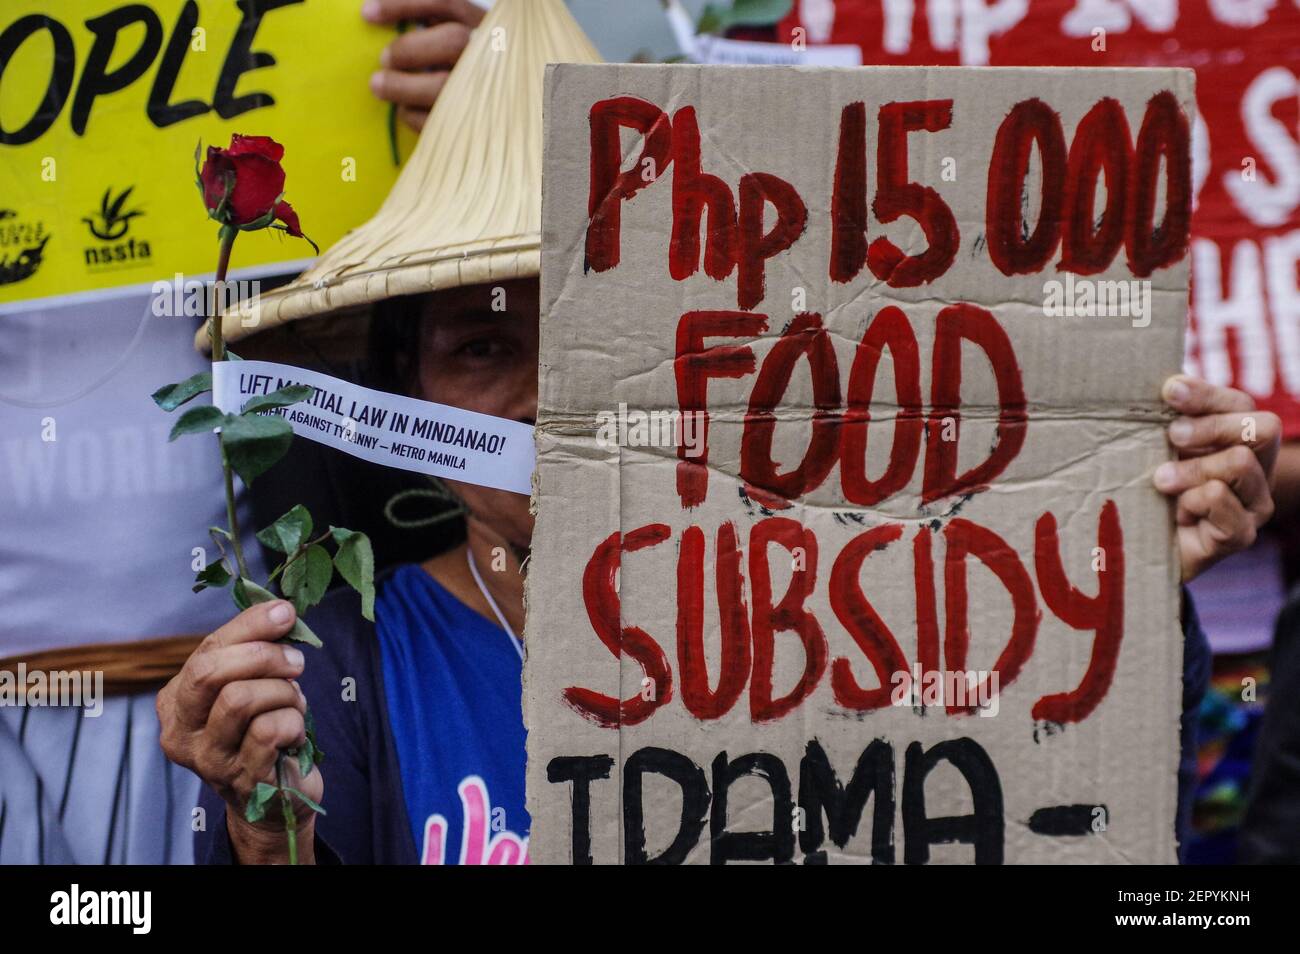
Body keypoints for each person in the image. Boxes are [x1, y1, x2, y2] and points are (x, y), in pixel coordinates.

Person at [156, 0, 1281, 864]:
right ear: (402, 388)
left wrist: (1120, 594)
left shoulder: (866, 616)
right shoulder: (342, 672)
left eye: (609, 320)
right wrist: (263, 840)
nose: (560, 393)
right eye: (483, 348)